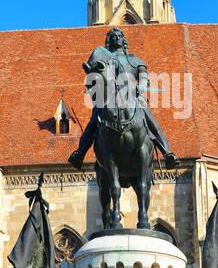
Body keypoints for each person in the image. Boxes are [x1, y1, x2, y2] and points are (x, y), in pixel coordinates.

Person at [68, 27, 178, 169]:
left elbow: (144, 77)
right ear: (109, 41)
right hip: (109, 99)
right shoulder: (105, 60)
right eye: (113, 36)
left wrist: (142, 85)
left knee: (150, 119)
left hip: (133, 98)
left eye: (119, 36)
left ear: (124, 40)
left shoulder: (135, 61)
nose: (117, 38)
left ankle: (167, 153)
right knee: (94, 120)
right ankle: (80, 154)